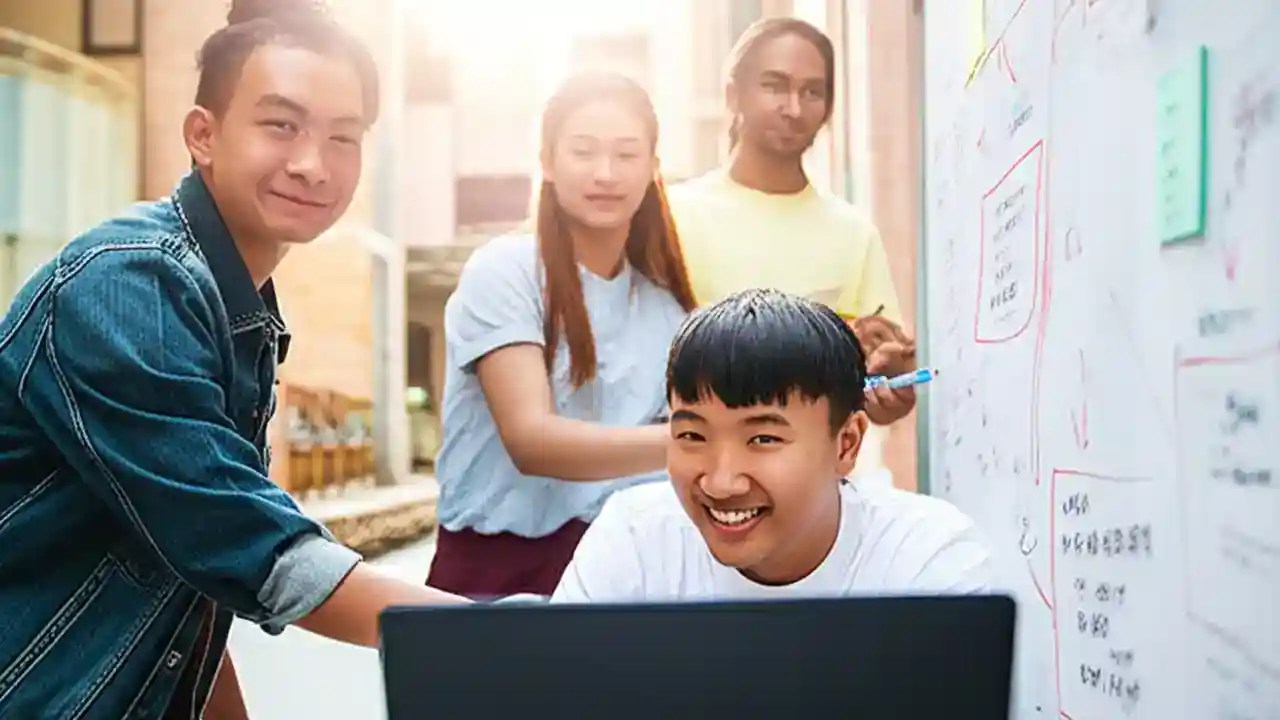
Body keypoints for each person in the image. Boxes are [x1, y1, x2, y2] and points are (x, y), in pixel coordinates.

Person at [0, 2, 464, 717]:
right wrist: (485, 633)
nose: (313, 164)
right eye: (281, 125)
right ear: (203, 135)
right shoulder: (130, 282)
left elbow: (186, 575)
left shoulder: (234, 307)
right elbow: (240, 540)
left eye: (343, 137)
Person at [425, 72, 698, 599]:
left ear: (652, 169)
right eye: (583, 151)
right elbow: (532, 441)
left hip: (624, 575)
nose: (605, 173)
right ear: (547, 163)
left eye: (626, 154)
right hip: (493, 575)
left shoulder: (668, 310)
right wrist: (697, 439)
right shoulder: (504, 272)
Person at [552, 289, 992, 603]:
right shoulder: (633, 539)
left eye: (763, 438)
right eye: (692, 436)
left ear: (846, 443)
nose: (721, 482)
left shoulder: (926, 559)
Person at [666, 17, 917, 426]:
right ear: (733, 95)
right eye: (774, 86)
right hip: (704, 456)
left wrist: (890, 387)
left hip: (816, 463)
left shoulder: (852, 233)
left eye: (812, 91)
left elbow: (881, 385)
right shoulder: (674, 216)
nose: (794, 108)